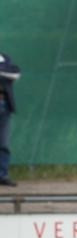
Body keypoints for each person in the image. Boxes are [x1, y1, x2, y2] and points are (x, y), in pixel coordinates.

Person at [0, 51, 21, 187]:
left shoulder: (4, 57)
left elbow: (15, 73)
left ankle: (2, 175)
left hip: (4, 107)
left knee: (3, 144)